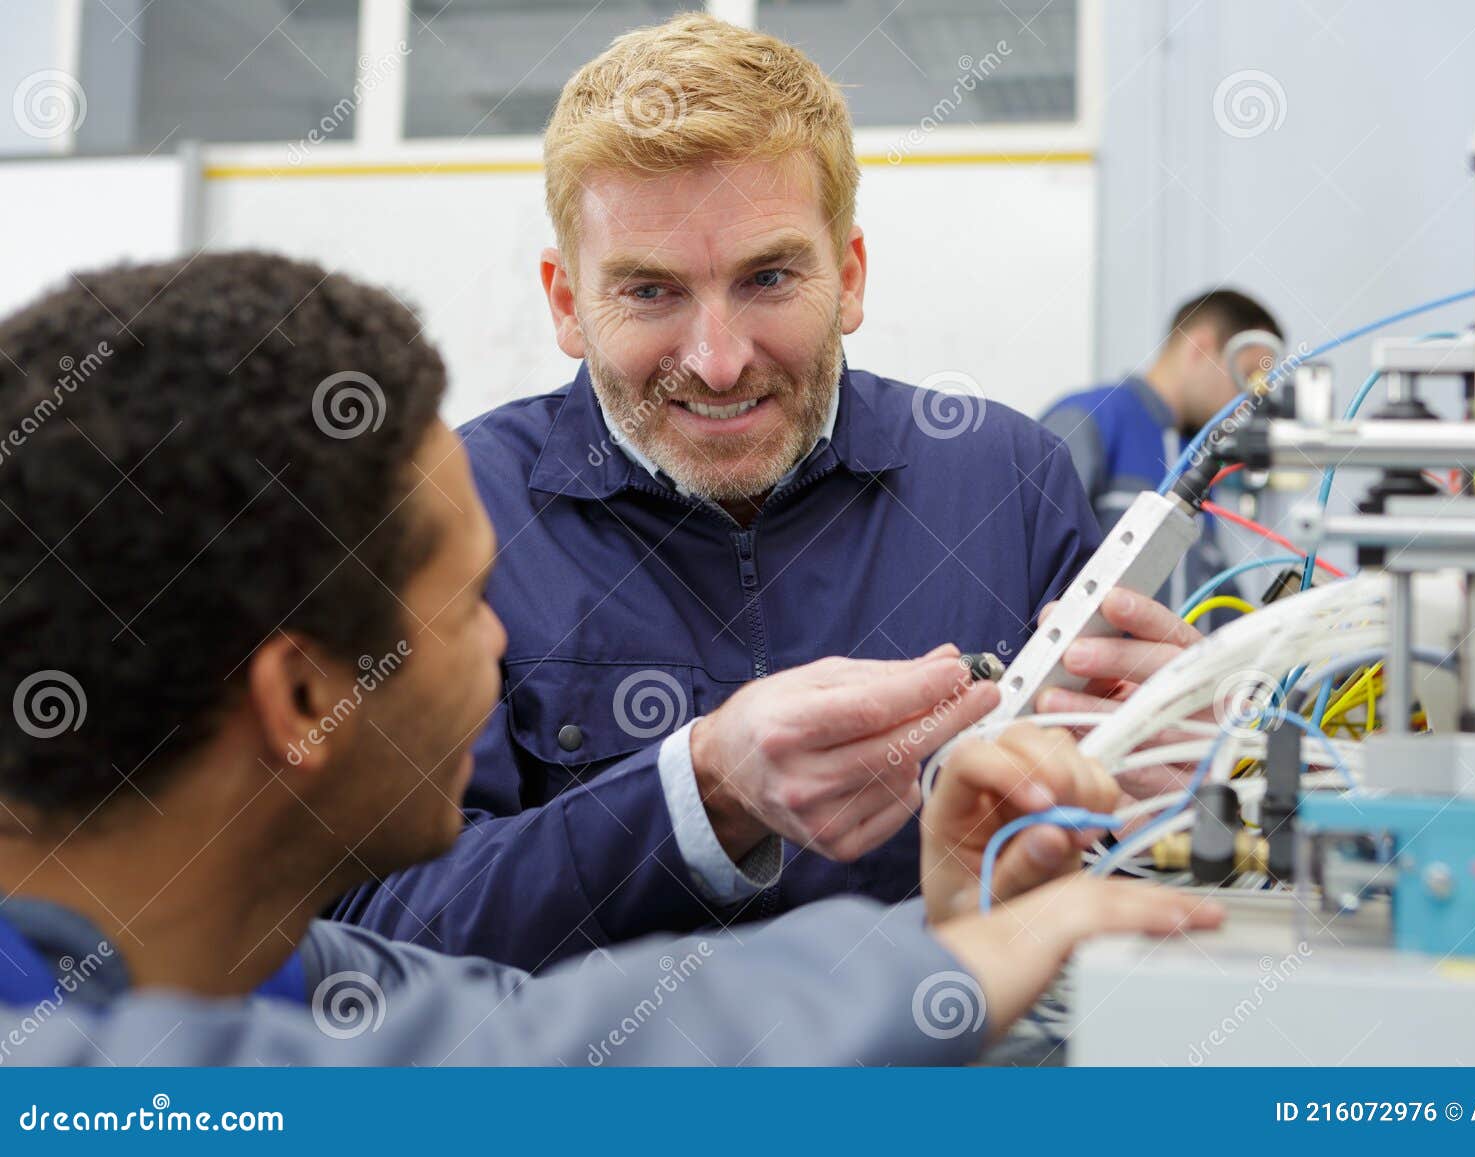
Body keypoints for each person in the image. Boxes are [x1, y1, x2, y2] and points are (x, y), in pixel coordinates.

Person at [0, 253, 1221, 1065]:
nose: (501, 634)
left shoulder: (255, 967)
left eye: (768, 276)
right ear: (309, 696)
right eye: (472, 599)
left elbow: (524, 1030)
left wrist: (955, 930)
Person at [334, 12, 1205, 971]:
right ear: (567, 303)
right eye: (650, 292)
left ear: (852, 276)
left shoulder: (1007, 482)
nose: (717, 362)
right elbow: (376, 928)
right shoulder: (455, 514)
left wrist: (1163, 793)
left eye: (769, 277)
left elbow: (1110, 887)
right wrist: (697, 795)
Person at [1039, 289, 1284, 609]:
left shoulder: (1195, 457)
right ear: (1201, 347)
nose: (1249, 402)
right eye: (1248, 376)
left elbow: (1209, 598)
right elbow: (1031, 565)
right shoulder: (1088, 420)